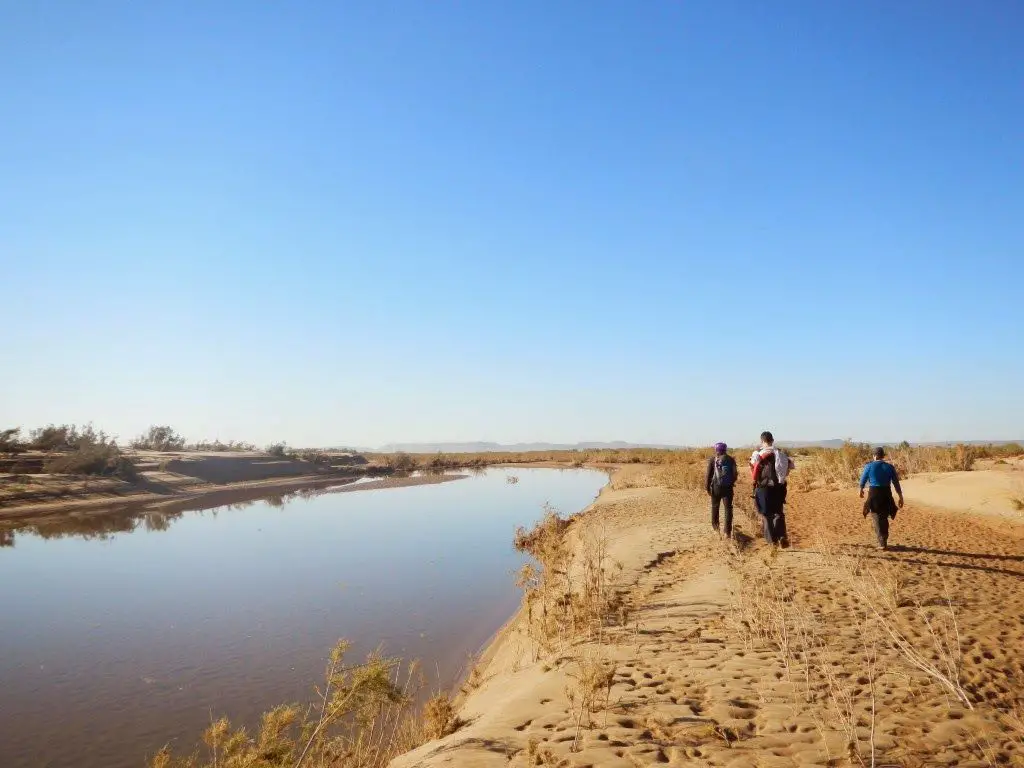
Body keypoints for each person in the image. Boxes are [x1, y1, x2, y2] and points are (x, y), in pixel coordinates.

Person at [749, 431, 792, 547]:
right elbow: (788, 470)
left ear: (762, 441)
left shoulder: (758, 454)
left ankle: (771, 541)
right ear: (772, 440)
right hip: (779, 486)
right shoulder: (781, 454)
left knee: (766, 514)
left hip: (764, 488)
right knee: (778, 512)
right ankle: (782, 535)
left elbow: (753, 470)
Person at [859, 447, 904, 550]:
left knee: (876, 518)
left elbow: (863, 479)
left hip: (874, 493)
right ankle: (884, 540)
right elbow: (896, 482)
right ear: (883, 456)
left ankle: (882, 543)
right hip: (886, 493)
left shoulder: (869, 466)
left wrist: (860, 489)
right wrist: (900, 496)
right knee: (884, 517)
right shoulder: (889, 467)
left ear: (874, 456)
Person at [705, 442, 737, 538]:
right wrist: (731, 482)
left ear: (716, 450)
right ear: (725, 449)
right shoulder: (731, 460)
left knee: (715, 507)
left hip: (716, 487)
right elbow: (735, 474)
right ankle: (727, 532)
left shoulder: (712, 459)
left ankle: (716, 529)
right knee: (728, 508)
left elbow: (708, 475)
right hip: (728, 488)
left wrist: (707, 488)